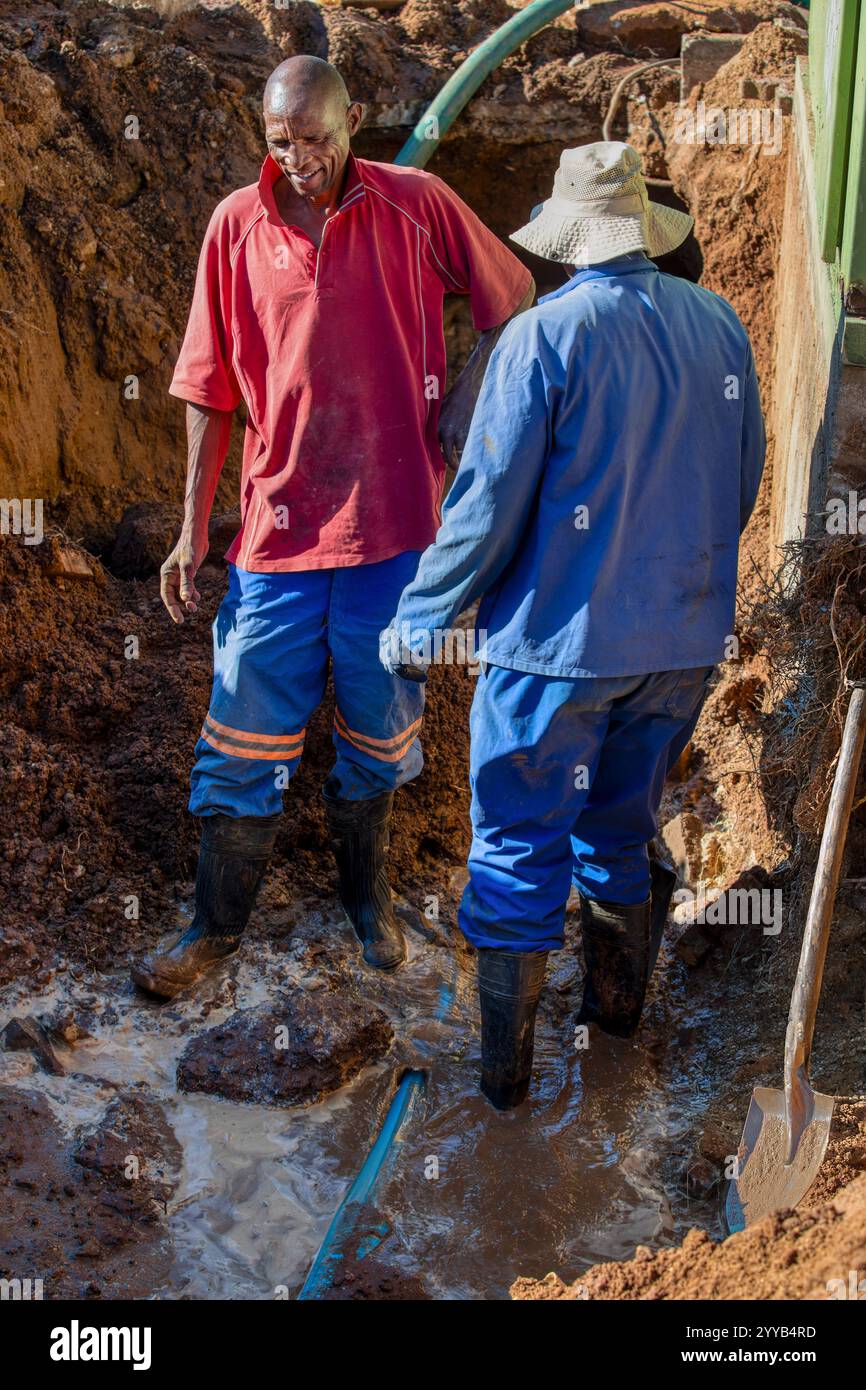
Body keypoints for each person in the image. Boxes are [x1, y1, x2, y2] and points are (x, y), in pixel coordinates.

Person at [130, 55, 533, 998]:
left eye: (315, 137)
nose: (300, 158)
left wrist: (463, 403)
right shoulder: (235, 227)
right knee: (240, 732)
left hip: (397, 532)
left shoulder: (416, 202)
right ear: (263, 135)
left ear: (352, 125)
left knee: (380, 730)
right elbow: (207, 387)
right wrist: (194, 530)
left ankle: (369, 904)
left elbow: (513, 305)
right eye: (281, 140)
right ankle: (212, 930)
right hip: (276, 531)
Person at [382, 142, 766, 1109]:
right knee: (622, 835)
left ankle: (505, 1091)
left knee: (516, 849)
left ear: (567, 240)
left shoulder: (544, 338)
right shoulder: (719, 324)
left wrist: (419, 620)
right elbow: (741, 482)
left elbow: (484, 507)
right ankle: (614, 1046)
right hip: (678, 648)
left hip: (555, 653)